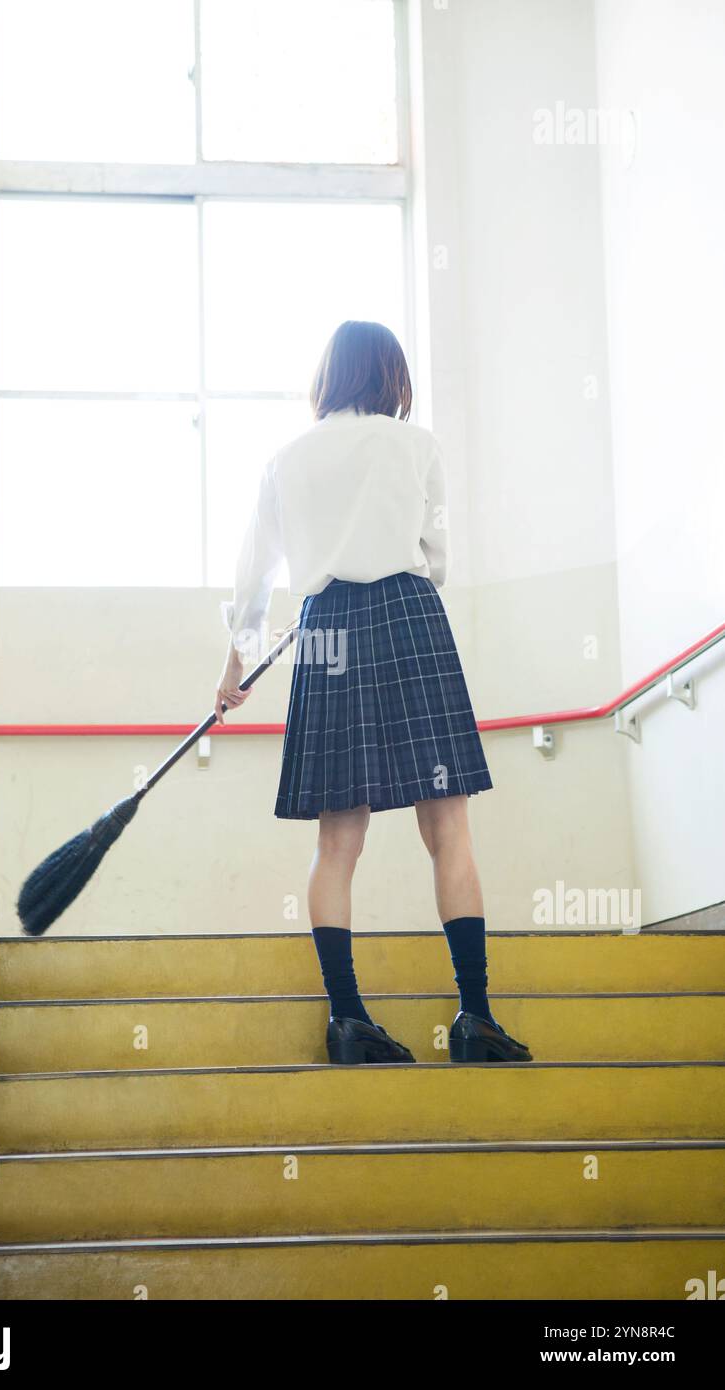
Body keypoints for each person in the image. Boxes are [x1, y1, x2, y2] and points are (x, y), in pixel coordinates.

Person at [215, 320, 531, 1066]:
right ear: (391, 377)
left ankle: (348, 1020)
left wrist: (235, 669)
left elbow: (253, 577)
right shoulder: (416, 445)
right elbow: (436, 557)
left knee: (336, 842)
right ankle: (474, 1019)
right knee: (448, 828)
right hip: (409, 617)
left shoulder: (284, 461)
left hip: (325, 631)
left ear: (328, 376)